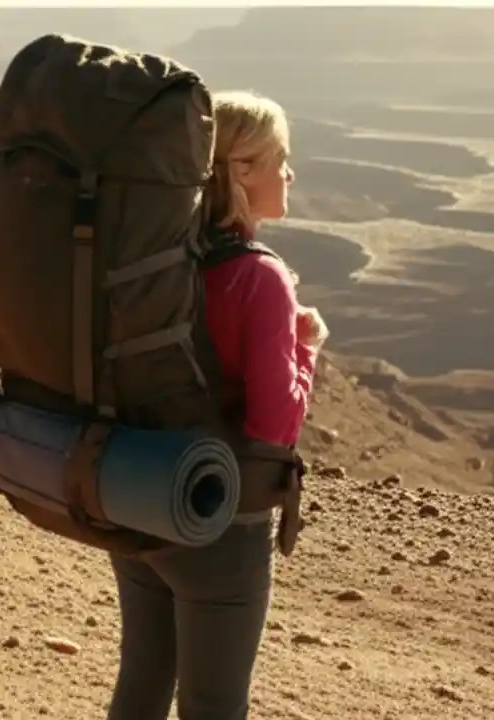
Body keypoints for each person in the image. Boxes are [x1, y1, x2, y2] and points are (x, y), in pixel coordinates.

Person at [105, 90, 328, 720]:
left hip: (141, 497)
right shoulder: (259, 277)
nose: (290, 173)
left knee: (142, 683)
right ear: (242, 170)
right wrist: (305, 347)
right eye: (280, 158)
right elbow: (274, 425)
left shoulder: (163, 263)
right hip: (219, 524)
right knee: (213, 705)